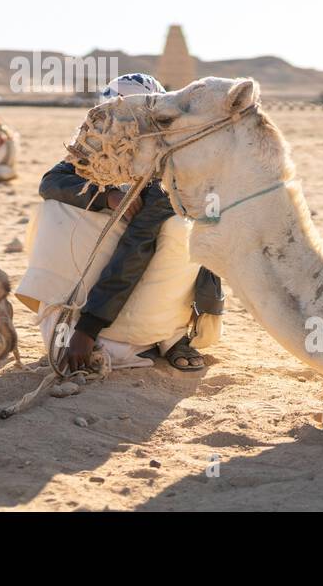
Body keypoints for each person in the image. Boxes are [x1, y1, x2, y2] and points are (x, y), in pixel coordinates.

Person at [39, 73, 224, 372]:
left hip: (158, 264)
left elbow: (136, 247)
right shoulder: (100, 147)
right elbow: (52, 181)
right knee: (54, 210)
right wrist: (109, 197)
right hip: (116, 273)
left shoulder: (167, 167)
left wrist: (87, 330)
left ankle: (172, 336)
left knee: (179, 231)